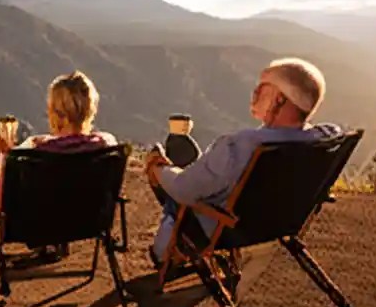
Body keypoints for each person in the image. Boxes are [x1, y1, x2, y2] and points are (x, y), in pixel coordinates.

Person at [144, 57, 347, 267]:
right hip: (277, 223)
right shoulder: (325, 140)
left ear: (279, 99)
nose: (255, 93)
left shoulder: (240, 146)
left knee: (172, 188)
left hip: (225, 229)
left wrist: (158, 167)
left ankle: (165, 252)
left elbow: (183, 189)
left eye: (263, 87)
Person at [0, 70, 119, 259]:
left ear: (59, 116)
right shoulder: (106, 146)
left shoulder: (32, 152)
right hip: (88, 223)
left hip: (37, 225)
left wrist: (5, 154)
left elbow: (0, 188)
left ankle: (46, 245)